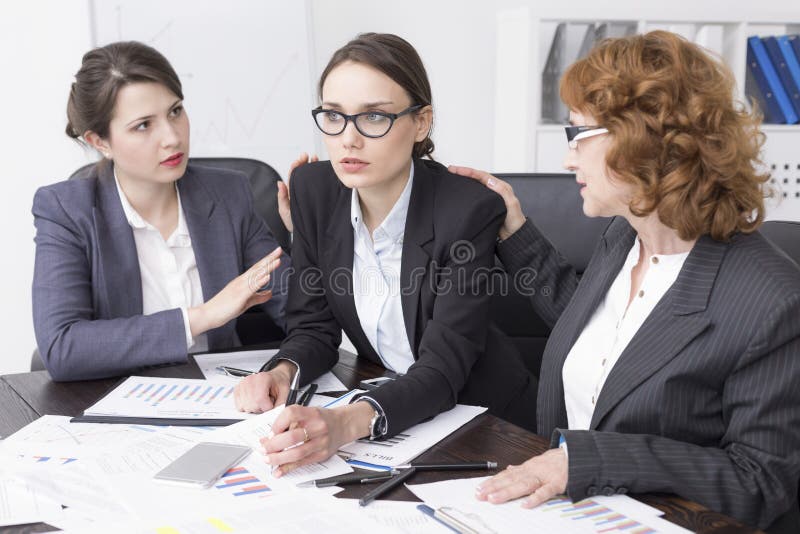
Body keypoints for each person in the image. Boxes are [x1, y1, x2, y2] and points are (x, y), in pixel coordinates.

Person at [448, 31, 800, 531]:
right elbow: (611, 335)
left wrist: (590, 460)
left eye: (578, 136)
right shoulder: (624, 235)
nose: (568, 159)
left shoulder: (773, 302)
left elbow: (760, 482)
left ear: (647, 137)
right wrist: (514, 229)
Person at [234, 33, 538, 475]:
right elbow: (314, 326)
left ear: (421, 123)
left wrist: (344, 422)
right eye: (334, 116)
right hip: (394, 410)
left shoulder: (467, 210)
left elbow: (443, 369)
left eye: (373, 116)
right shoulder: (315, 190)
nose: (348, 140)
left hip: (485, 423)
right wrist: (282, 373)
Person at [32, 41, 290, 381]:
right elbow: (62, 348)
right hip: (113, 402)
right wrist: (202, 316)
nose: (172, 137)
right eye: (143, 125)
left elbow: (303, 312)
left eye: (175, 111)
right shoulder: (66, 210)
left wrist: (309, 237)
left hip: (228, 397)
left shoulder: (228, 195)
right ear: (100, 142)